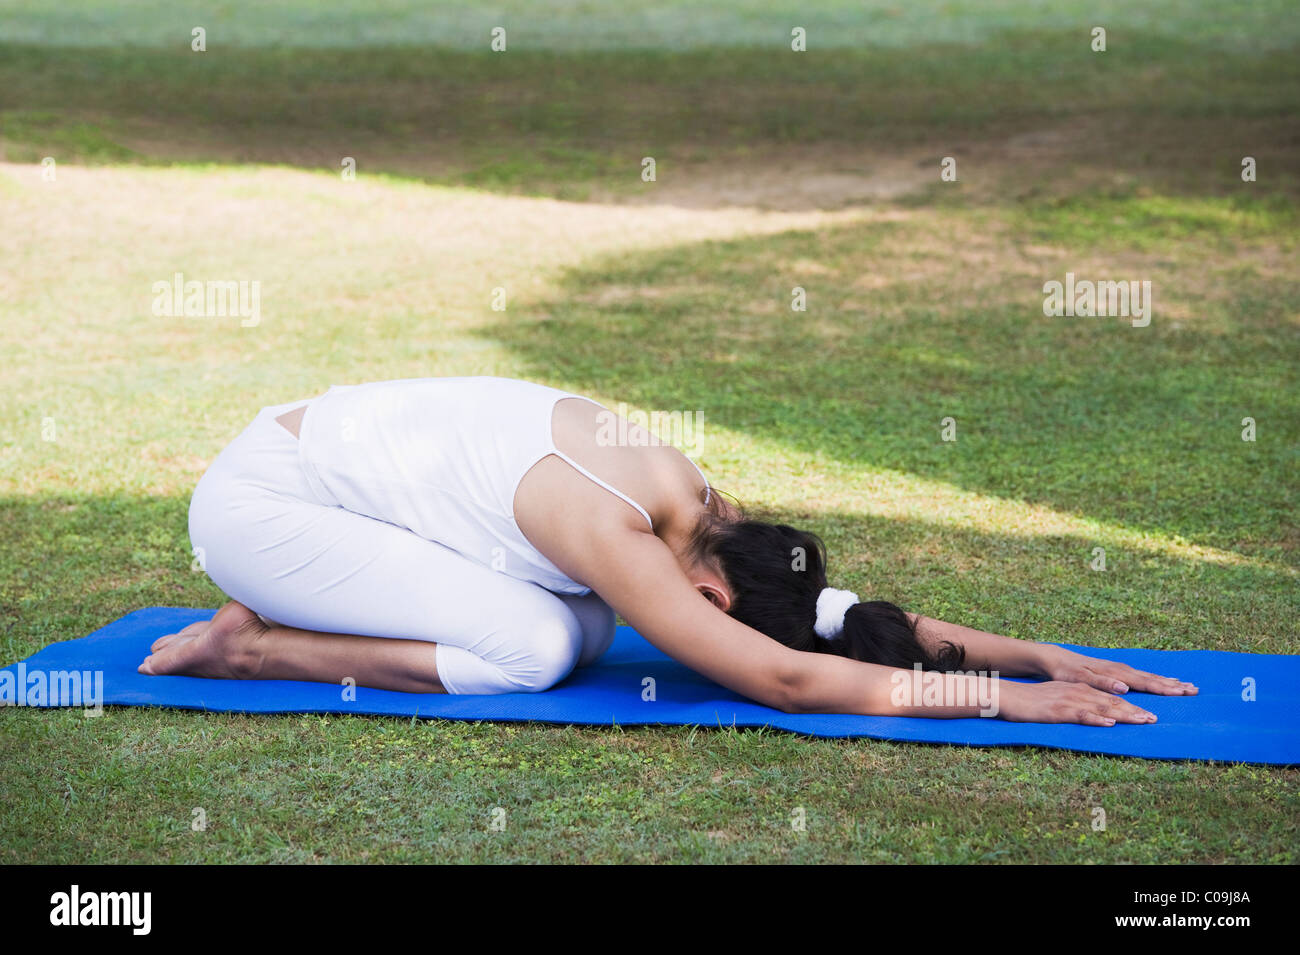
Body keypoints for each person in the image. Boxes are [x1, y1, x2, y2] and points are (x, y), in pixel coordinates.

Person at [141, 376, 1197, 723]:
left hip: (327, 461)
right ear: (703, 589)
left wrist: (1027, 648)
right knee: (538, 648)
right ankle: (254, 649)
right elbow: (783, 672)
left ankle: (265, 636)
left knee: (584, 620)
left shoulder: (703, 505)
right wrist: (1007, 699)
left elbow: (819, 610)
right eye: (695, 612)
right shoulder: (618, 528)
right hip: (263, 509)